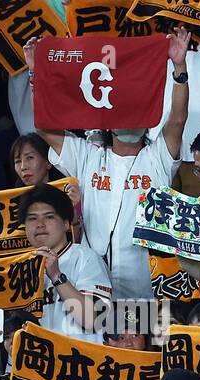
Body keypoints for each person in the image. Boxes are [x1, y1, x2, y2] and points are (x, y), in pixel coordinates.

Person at [27, 27, 191, 302]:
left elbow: (177, 118)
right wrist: (37, 74)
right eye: (122, 113)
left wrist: (179, 66)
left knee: (143, 342)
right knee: (101, 340)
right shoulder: (89, 155)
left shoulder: (157, 156)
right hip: (95, 281)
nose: (129, 120)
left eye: (135, 113)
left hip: (148, 282)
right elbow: (45, 126)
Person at [22, 183, 110, 341]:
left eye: (49, 217)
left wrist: (56, 276)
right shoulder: (19, 268)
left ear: (66, 223)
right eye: (32, 218)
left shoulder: (86, 258)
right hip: (39, 361)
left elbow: (93, 320)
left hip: (81, 360)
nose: (40, 224)